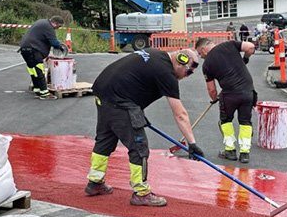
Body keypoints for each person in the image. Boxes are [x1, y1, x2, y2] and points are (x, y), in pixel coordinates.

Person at [85, 48, 205, 207]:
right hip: (120, 102)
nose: (186, 76)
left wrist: (137, 112)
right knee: (139, 148)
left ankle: (95, 183)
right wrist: (192, 144)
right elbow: (180, 114)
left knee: (105, 141)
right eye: (188, 72)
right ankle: (141, 193)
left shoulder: (155, 54)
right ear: (181, 61)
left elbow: (135, 79)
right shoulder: (166, 73)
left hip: (104, 95)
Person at [195, 36, 257, 164]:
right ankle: (245, 154)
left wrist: (214, 98)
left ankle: (230, 151)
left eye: (200, 54)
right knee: (245, 121)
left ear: (204, 49)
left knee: (225, 121)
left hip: (229, 95)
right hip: (248, 91)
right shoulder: (230, 45)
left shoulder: (207, 65)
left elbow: (211, 89)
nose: (201, 57)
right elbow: (250, 47)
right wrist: (245, 59)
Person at [19, 16, 67, 100]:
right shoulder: (49, 27)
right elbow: (54, 43)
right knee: (39, 70)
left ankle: (37, 89)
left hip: (24, 48)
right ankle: (44, 93)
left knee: (33, 70)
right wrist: (61, 47)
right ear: (55, 23)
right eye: (58, 26)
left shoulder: (41, 22)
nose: (57, 29)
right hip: (33, 49)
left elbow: (41, 38)